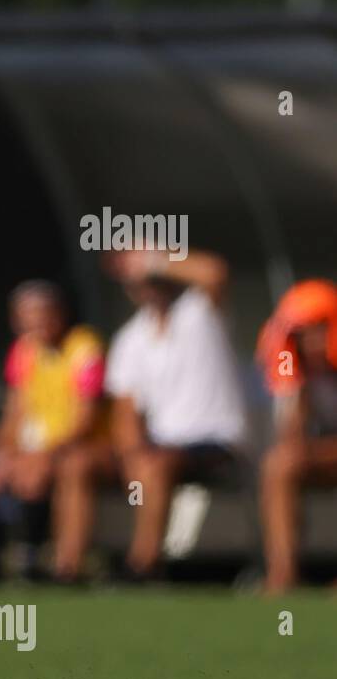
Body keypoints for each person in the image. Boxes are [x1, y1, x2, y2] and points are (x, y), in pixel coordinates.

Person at [94, 245, 246, 579]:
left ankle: (143, 564)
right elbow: (126, 415)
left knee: (156, 464)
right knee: (82, 465)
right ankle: (67, 568)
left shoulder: (199, 313)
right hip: (161, 448)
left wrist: (150, 259)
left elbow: (215, 271)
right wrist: (132, 455)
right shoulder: (130, 338)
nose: (147, 287)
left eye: (153, 279)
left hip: (215, 441)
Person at [0, 281, 108, 581]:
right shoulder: (24, 351)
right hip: (34, 449)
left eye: (44, 314)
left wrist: (38, 456)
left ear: (61, 313)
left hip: (76, 448)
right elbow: (13, 419)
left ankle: (45, 561)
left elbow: (85, 423)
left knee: (35, 474)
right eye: (28, 317)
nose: (38, 323)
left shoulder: (84, 347)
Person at [256, 279, 337, 594]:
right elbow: (290, 438)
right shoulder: (299, 366)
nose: (308, 341)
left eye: (317, 329)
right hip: (326, 454)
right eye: (300, 334)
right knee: (279, 465)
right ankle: (283, 576)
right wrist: (293, 381)